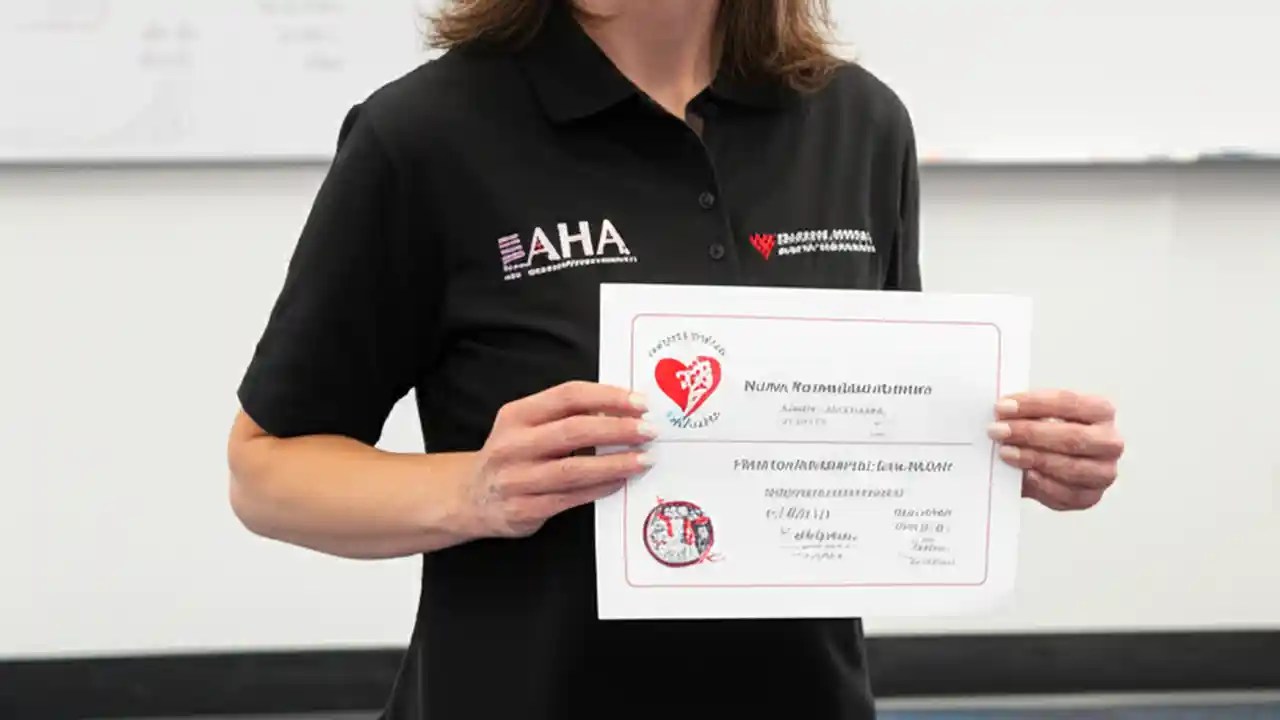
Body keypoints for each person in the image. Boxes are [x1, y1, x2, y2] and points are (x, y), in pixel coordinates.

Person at [225, 0, 1127, 718]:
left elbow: (868, 427)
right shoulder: (421, 135)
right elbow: (265, 472)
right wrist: (473, 492)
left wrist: (1016, 459)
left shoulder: (861, 124)